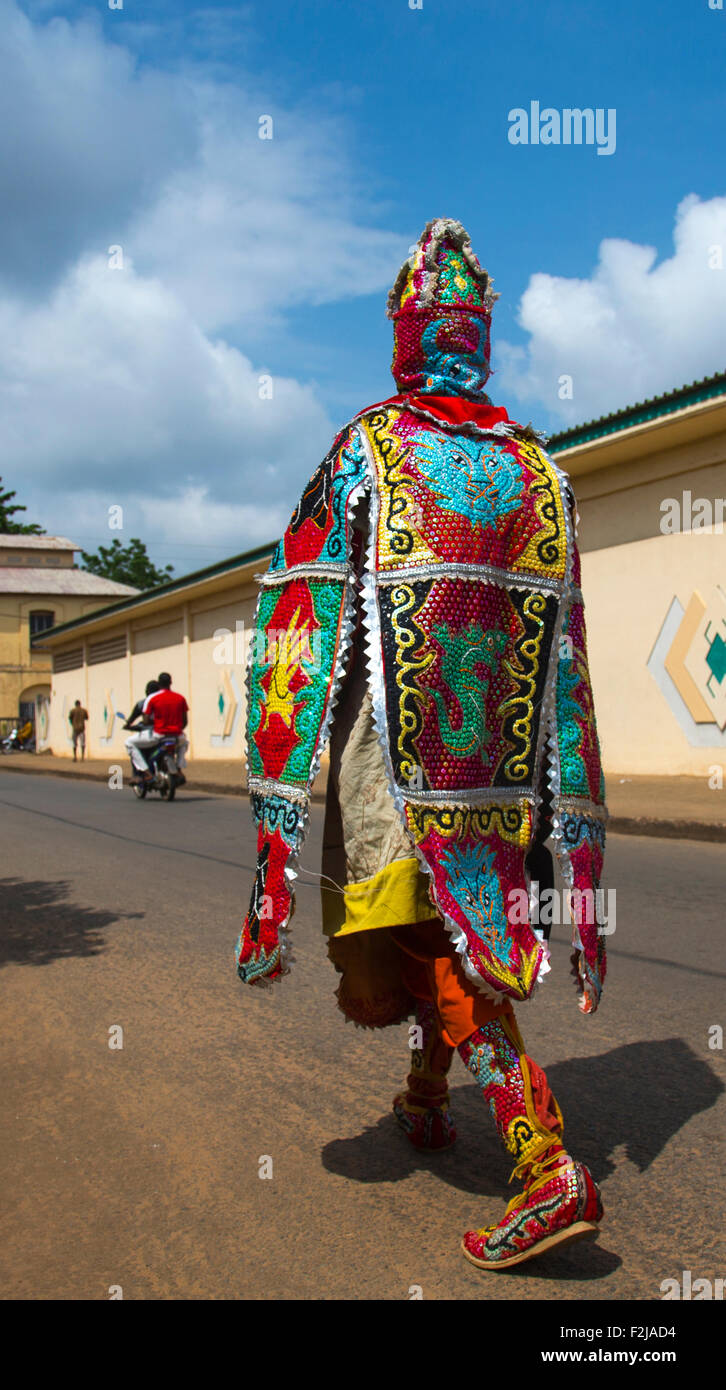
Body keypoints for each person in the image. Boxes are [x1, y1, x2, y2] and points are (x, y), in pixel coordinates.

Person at [234, 219, 607, 1270]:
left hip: (394, 758)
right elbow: (569, 651)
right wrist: (567, 805)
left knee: (417, 933)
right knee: (445, 918)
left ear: (406, 337)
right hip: (499, 767)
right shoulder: (542, 471)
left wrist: (279, 782)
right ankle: (425, 1091)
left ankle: (543, 1161)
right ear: (479, 338)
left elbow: (301, 604)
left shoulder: (373, 446)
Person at [142, 672, 189, 780]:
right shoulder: (180, 698)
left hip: (158, 735)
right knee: (184, 744)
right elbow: (185, 721)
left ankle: (145, 770)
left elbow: (145, 720)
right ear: (171, 682)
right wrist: (177, 729)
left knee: (130, 743)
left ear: (159, 684)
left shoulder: (152, 698)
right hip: (177, 735)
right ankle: (179, 767)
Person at [124, 679, 161, 782]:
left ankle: (144, 773)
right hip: (167, 733)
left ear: (147, 691)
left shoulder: (143, 703)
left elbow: (135, 718)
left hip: (151, 734)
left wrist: (128, 724)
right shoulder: (164, 700)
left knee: (129, 743)